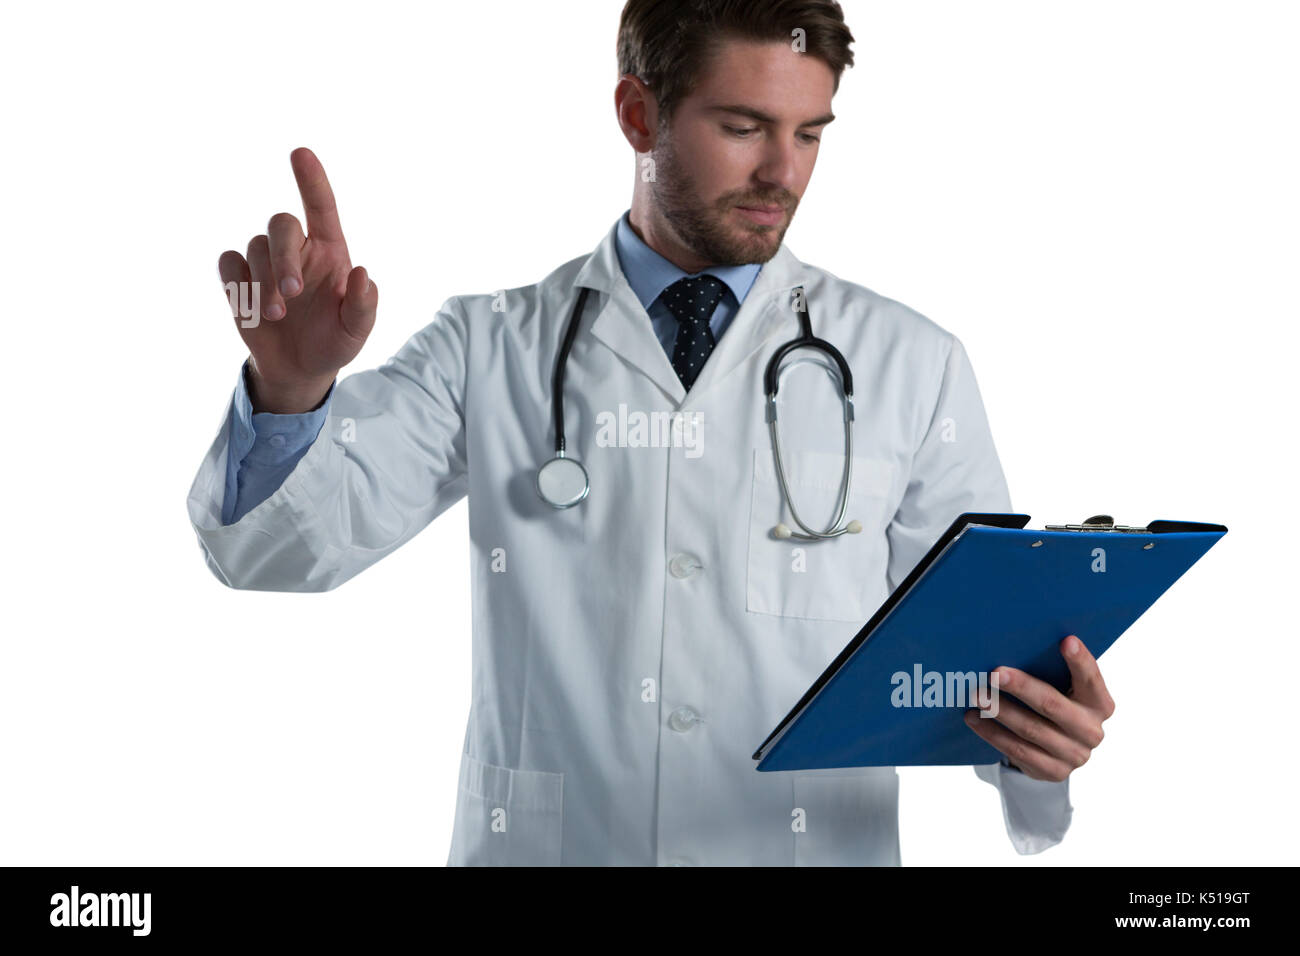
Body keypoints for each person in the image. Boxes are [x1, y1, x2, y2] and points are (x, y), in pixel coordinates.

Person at [188, 0, 1114, 866]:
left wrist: (1040, 739)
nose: (782, 173)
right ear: (639, 114)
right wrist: (292, 383)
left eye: (809, 134)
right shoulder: (488, 345)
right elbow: (279, 554)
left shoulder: (913, 363)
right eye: (743, 127)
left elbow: (976, 664)